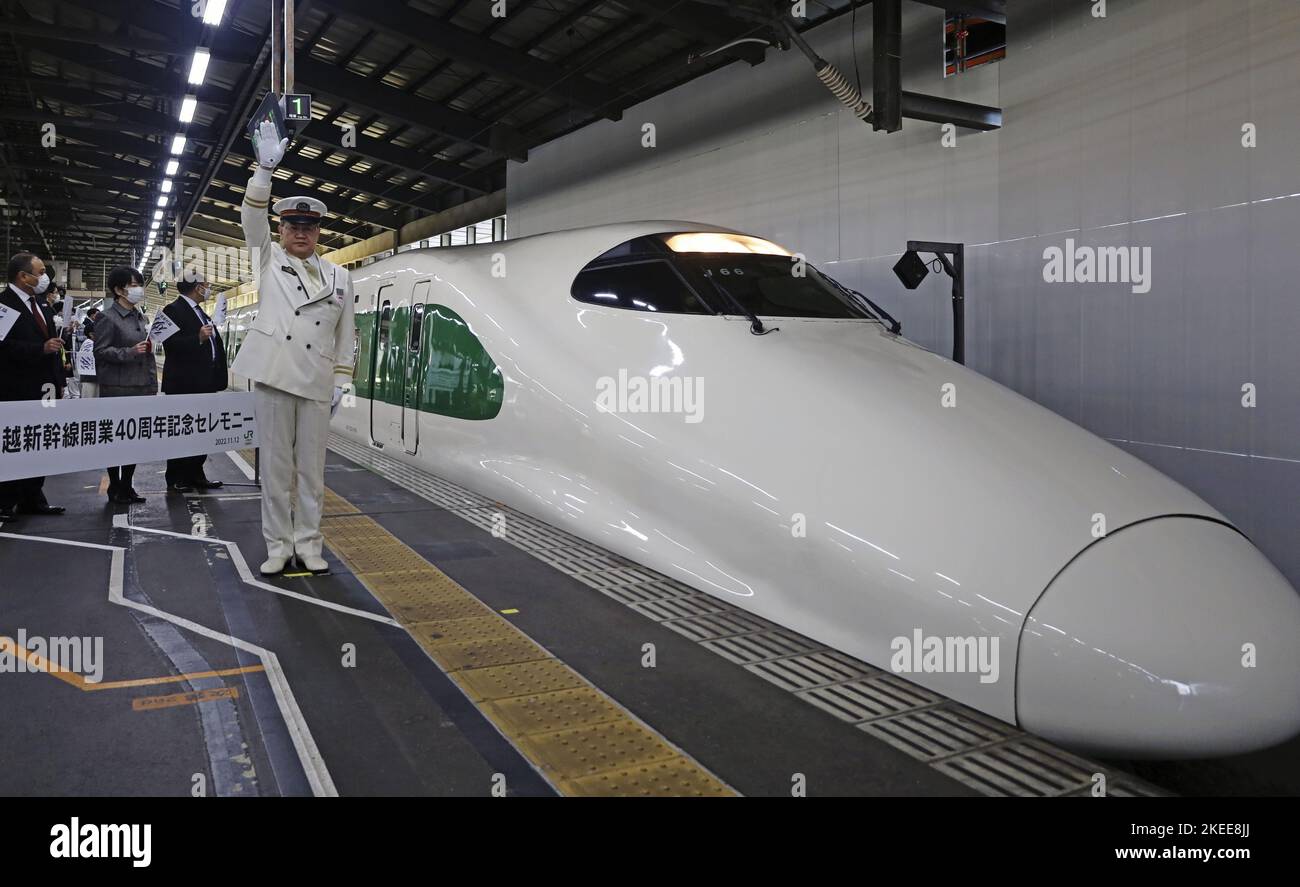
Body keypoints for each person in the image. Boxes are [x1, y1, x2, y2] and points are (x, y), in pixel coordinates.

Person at [234, 118, 355, 575]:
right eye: (292, 225)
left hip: (317, 381)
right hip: (274, 376)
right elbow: (250, 219)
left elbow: (347, 333)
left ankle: (309, 543)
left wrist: (343, 379)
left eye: (308, 226)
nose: (300, 232)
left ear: (319, 232)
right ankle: (277, 546)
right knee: (276, 470)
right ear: (280, 229)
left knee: (312, 471)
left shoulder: (341, 277)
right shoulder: (267, 260)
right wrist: (262, 174)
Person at [0, 252, 67, 518]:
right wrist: (38, 349)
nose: (44, 277)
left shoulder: (41, 304)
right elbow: (3, 346)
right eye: (39, 272)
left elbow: (53, 347)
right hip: (15, 386)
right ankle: (5, 499)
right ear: (23, 276)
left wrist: (58, 382)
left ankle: (33, 496)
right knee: (14, 441)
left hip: (46, 386)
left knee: (41, 441)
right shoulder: (3, 306)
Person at [93, 266, 157, 505]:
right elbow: (100, 351)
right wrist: (130, 351)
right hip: (117, 389)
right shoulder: (107, 317)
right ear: (119, 290)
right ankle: (115, 486)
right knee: (115, 441)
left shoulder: (140, 316)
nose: (138, 289)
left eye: (139, 284)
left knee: (134, 441)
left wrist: (152, 385)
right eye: (133, 285)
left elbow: (146, 353)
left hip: (140, 387)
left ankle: (127, 485)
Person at [161, 271, 226, 492]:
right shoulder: (172, 310)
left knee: (202, 432)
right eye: (206, 284)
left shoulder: (202, 313)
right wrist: (197, 338)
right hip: (184, 385)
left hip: (205, 384)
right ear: (197, 287)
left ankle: (196, 473)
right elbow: (168, 345)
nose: (209, 288)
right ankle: (176, 477)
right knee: (182, 432)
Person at [74, 318, 98, 398]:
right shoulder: (89, 344)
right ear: (91, 334)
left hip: (92, 379)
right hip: (90, 380)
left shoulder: (90, 343)